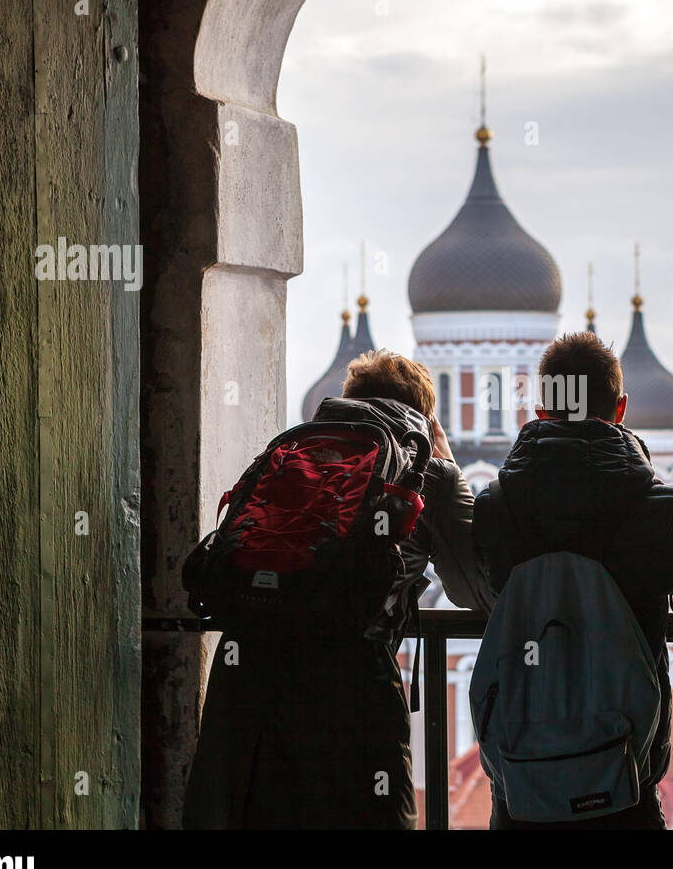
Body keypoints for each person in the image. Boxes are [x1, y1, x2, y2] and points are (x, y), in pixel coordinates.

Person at [183, 349, 490, 829]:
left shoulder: (288, 453)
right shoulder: (427, 470)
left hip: (245, 678)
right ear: (426, 417)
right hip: (349, 685)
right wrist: (449, 473)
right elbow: (475, 589)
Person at [472, 332, 673, 829]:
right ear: (620, 409)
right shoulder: (659, 509)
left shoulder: (494, 508)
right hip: (622, 778)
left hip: (520, 785)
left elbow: (481, 594)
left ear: (540, 412)